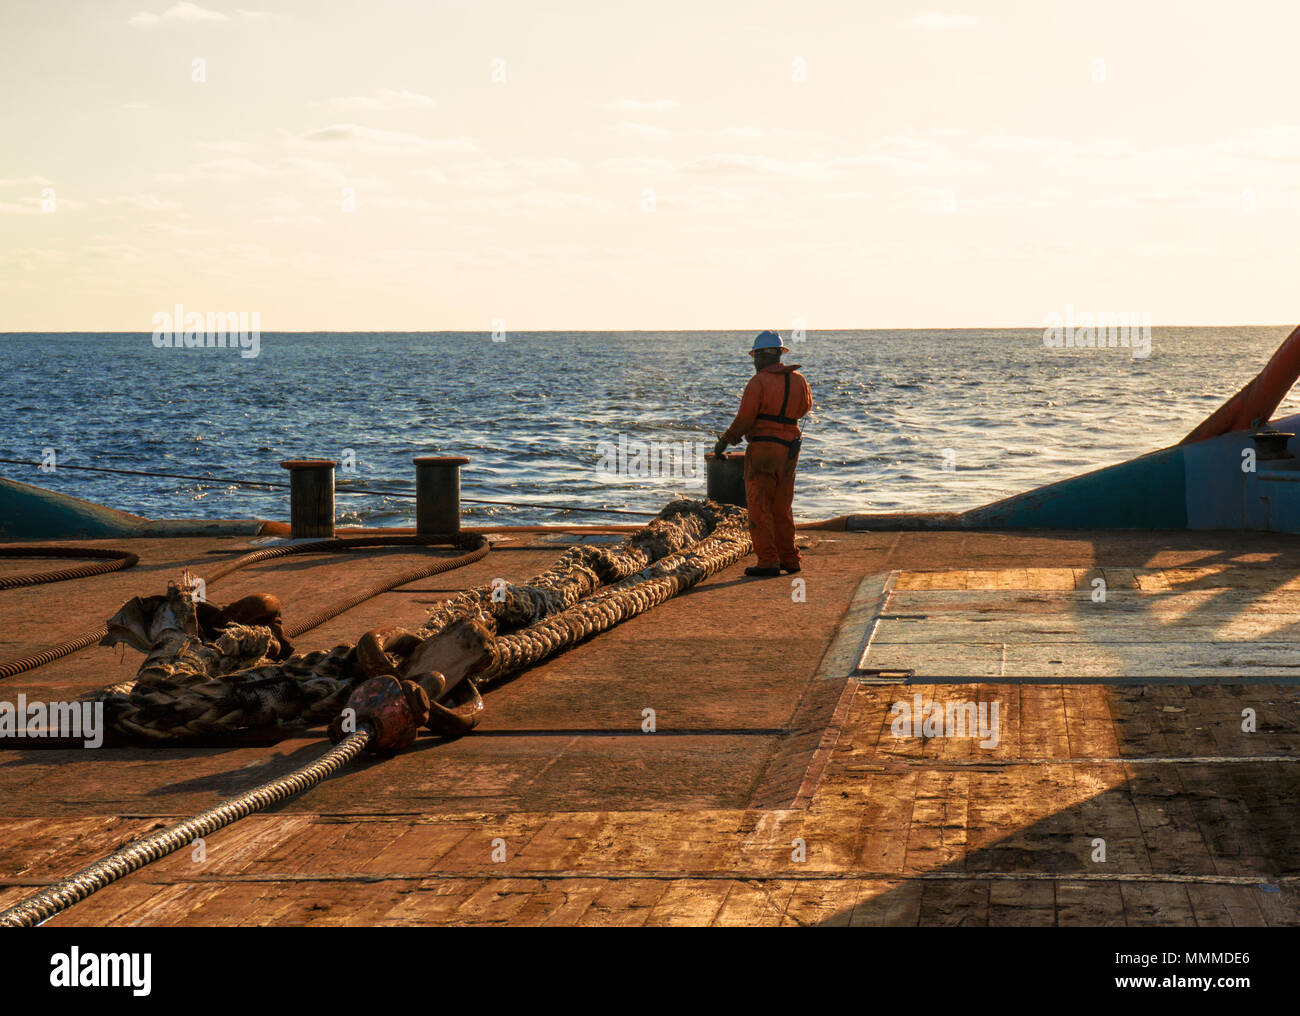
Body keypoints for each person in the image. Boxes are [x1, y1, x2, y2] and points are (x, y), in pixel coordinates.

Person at [713, 331, 813, 577]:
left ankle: (768, 561)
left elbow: (745, 419)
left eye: (755, 356)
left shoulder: (758, 382)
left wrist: (725, 441)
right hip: (789, 450)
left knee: (759, 507)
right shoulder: (799, 380)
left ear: (762, 355)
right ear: (779, 353)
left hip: (763, 450)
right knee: (783, 506)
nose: (754, 361)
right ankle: (790, 559)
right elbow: (804, 408)